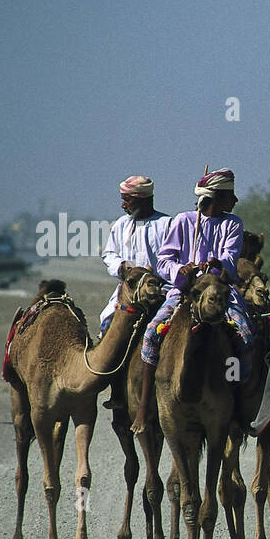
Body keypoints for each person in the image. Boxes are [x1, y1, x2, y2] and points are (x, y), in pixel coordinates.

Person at [131, 168, 254, 433]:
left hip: (221, 294)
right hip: (185, 292)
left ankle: (239, 402)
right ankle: (144, 407)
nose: (234, 201)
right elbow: (164, 260)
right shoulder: (184, 221)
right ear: (215, 197)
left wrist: (219, 265)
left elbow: (231, 262)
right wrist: (180, 271)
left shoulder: (233, 224)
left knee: (244, 335)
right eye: (229, 195)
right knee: (152, 333)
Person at [99, 175, 171, 335]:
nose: (123, 205)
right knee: (106, 325)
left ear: (143, 199)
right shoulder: (121, 224)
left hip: (160, 291)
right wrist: (121, 266)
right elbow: (109, 253)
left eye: (127, 200)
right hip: (129, 291)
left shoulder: (167, 224)